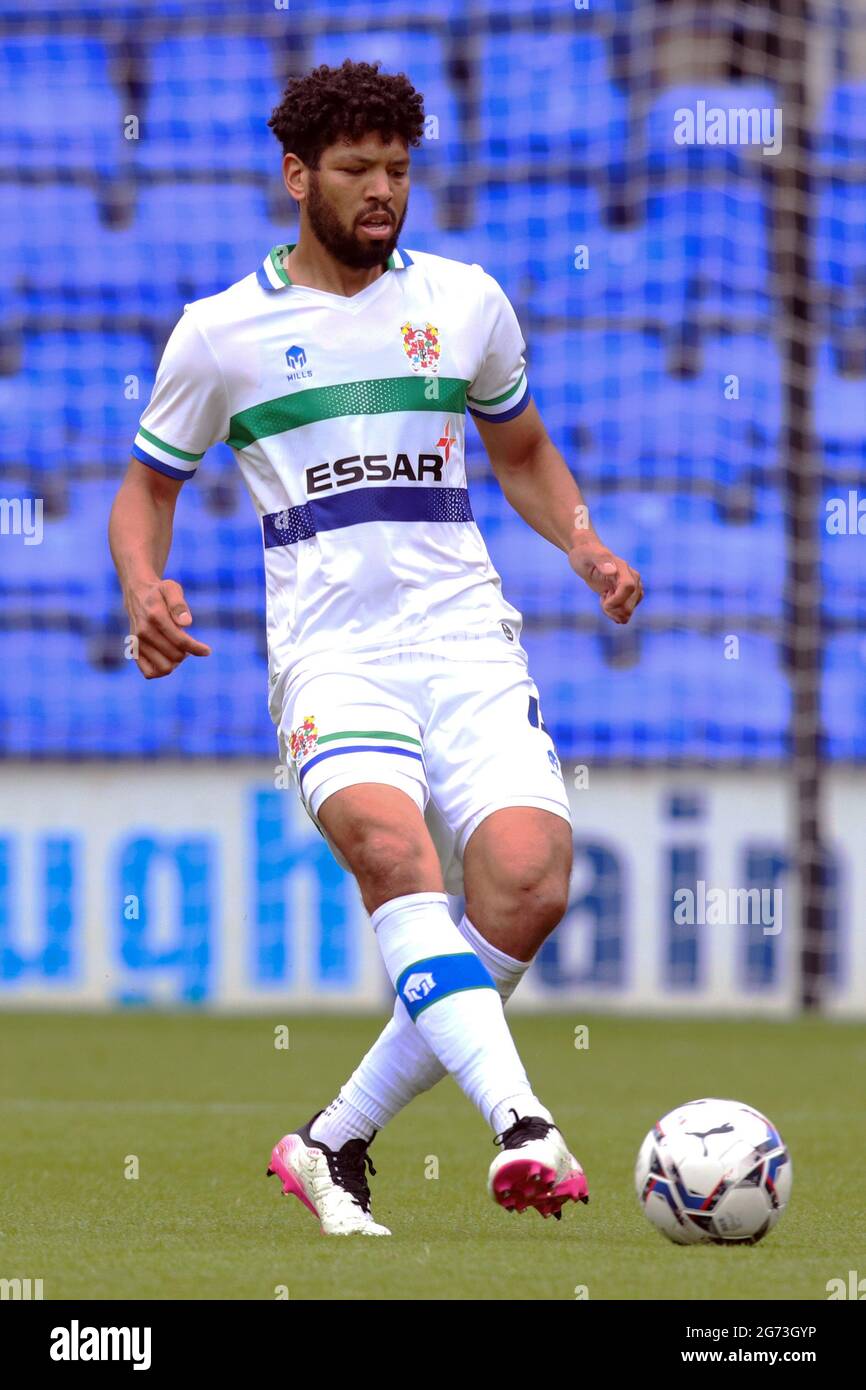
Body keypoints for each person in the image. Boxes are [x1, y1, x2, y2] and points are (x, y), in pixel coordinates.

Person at [109, 59, 643, 1237]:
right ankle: (524, 1124)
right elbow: (145, 487)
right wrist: (145, 586)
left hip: (465, 641)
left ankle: (332, 1139)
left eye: (397, 169)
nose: (381, 190)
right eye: (355, 169)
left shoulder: (465, 301)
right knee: (396, 855)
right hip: (331, 657)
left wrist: (582, 541)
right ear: (296, 174)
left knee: (527, 881)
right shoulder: (220, 335)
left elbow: (522, 452)